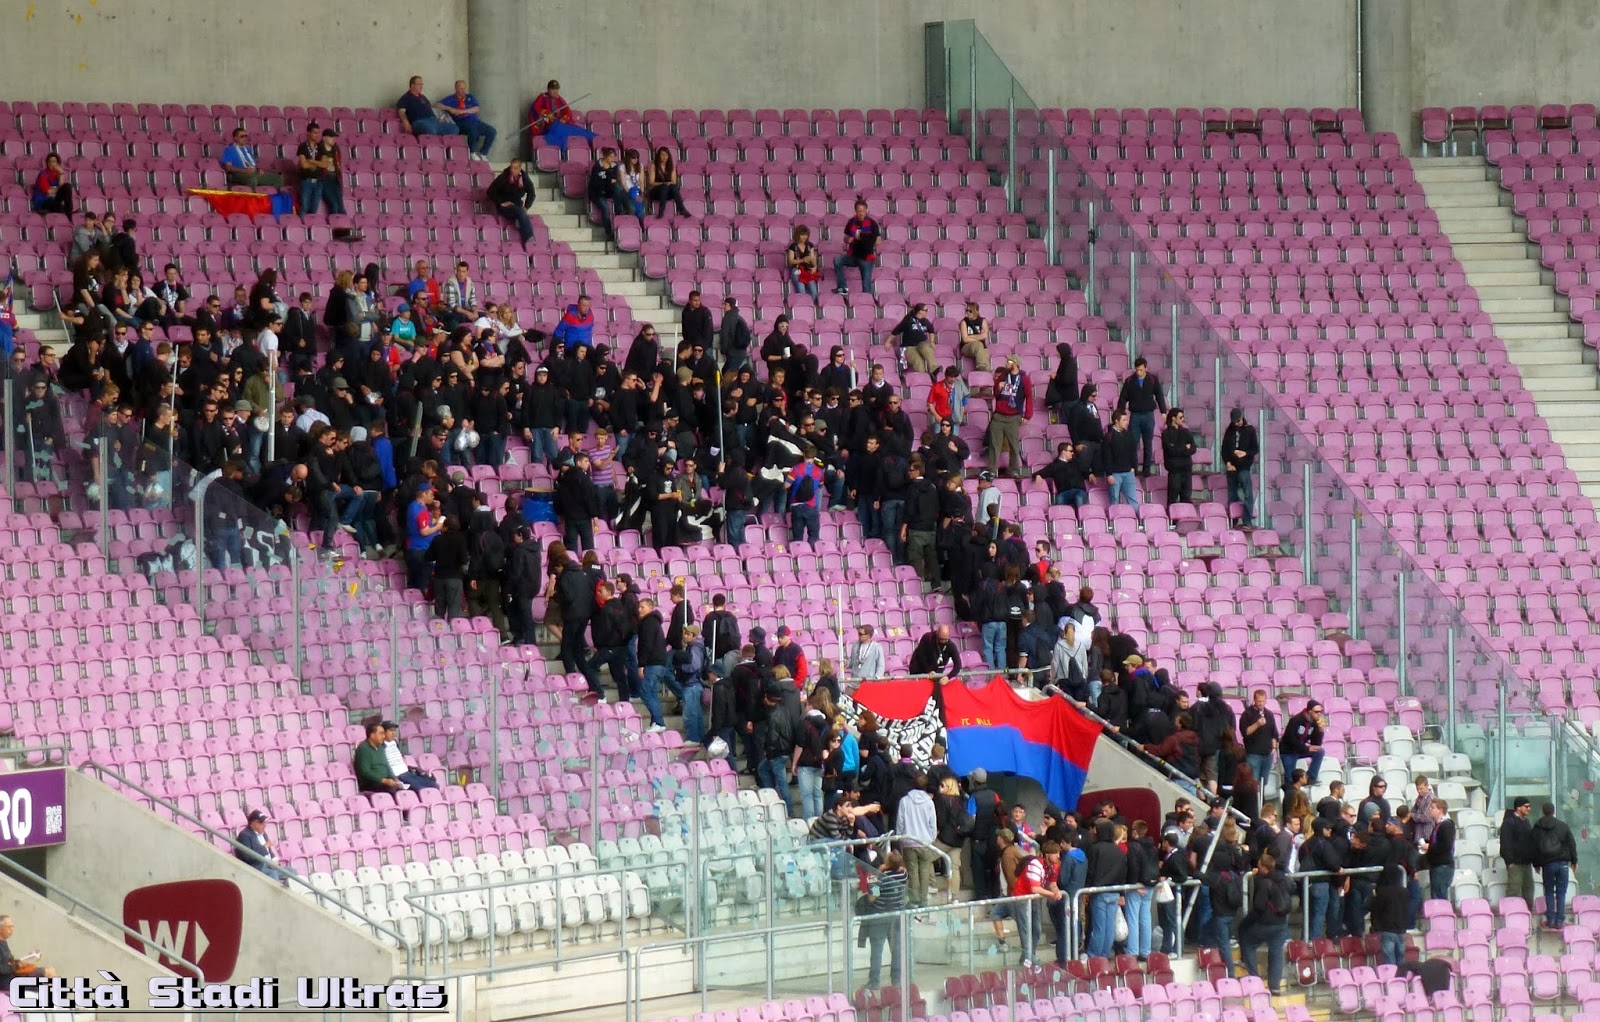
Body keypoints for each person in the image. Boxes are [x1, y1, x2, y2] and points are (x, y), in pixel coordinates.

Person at [1236, 852, 1293, 994]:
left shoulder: (1264, 883)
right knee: (1276, 953)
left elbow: (1259, 907)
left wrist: (1246, 923)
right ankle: (1275, 986)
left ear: (1263, 867)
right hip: (1281, 923)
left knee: (1247, 942)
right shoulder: (1285, 880)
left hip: (1264, 923)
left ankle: (1254, 979)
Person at [861, 850, 908, 988]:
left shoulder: (881, 877)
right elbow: (901, 869)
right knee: (896, 949)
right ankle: (896, 980)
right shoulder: (903, 874)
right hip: (897, 915)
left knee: (877, 950)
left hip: (881, 916)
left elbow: (872, 898)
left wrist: (875, 875)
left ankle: (874, 980)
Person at [1115, 357, 1168, 477]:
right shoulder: (1130, 381)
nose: (1139, 372)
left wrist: (1163, 411)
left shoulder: (1152, 380)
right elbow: (1123, 398)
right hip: (1135, 415)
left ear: (1146, 368)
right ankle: (1133, 467)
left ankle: (1146, 470)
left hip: (1149, 415)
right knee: (1133, 443)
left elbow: (1159, 396)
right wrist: (1120, 413)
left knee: (1148, 443)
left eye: (1141, 370)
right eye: (1137, 370)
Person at [1083, 820, 1128, 959]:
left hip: (1099, 892)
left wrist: (1086, 890)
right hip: (1114, 892)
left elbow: (1091, 871)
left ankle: (1093, 956)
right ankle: (1105, 955)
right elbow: (1123, 873)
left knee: (1099, 928)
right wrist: (1121, 894)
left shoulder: (1095, 849)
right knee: (1109, 928)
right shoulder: (1119, 851)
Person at [897, 773, 939, 909]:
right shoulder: (929, 802)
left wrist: (900, 837)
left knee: (913, 872)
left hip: (909, 842)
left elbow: (900, 822)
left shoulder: (904, 801)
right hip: (925, 842)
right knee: (925, 870)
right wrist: (931, 838)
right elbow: (933, 824)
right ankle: (923, 900)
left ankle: (914, 900)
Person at [1532, 802, 1577, 929]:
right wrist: (1574, 861)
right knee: (1561, 893)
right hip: (1563, 863)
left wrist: (1536, 864)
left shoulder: (1537, 827)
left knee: (1549, 892)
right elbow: (1571, 844)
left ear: (1543, 811)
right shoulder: (1563, 826)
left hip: (1548, 864)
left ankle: (1551, 919)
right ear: (1553, 811)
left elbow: (1534, 847)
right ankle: (1559, 921)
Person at [987, 355, 1032, 477]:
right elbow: (996, 394)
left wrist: (1028, 415)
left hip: (1013, 417)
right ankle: (991, 471)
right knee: (994, 445)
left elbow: (1029, 397)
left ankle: (1014, 470)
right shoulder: (1002, 376)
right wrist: (998, 386)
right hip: (999, 416)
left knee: (1014, 445)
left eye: (1009, 361)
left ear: (1015, 363)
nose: (1006, 363)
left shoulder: (1024, 379)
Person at [529, 79, 597, 158]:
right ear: (548, 89)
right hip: (549, 127)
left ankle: (596, 140)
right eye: (553, 89)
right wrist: (546, 114)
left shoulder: (559, 99)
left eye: (557, 89)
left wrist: (564, 119)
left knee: (579, 131)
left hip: (560, 124)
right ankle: (563, 154)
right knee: (560, 130)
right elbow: (535, 109)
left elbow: (567, 112)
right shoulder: (542, 97)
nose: (555, 91)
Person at [1221, 406, 1260, 529]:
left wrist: (1245, 453)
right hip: (1232, 466)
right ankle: (1233, 520)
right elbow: (1224, 449)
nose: (1236, 423)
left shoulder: (1250, 430)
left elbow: (1255, 448)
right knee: (1232, 495)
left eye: (1238, 421)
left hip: (1244, 466)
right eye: (1235, 422)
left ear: (1242, 418)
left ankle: (1247, 519)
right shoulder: (1230, 431)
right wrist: (1228, 463)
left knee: (1248, 493)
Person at [832, 199, 881, 295]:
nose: (861, 213)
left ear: (867, 210)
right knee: (837, 260)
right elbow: (846, 237)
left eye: (863, 210)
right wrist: (848, 239)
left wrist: (861, 237)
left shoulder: (872, 224)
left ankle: (866, 303)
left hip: (866, 258)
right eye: (859, 211)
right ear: (855, 211)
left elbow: (878, 241)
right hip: (853, 255)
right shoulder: (851, 222)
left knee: (866, 286)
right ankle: (842, 288)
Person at [439, 79, 496, 160]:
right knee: (473, 129)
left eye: (464, 88)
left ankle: (483, 153)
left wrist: (462, 111)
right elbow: (437, 105)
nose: (463, 91)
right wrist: (450, 109)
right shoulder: (451, 98)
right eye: (461, 89)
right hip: (461, 122)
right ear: (456, 88)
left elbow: (476, 108)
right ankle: (472, 152)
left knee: (492, 131)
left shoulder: (470, 97)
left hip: (475, 121)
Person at [487, 158, 536, 245]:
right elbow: (490, 191)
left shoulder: (524, 179)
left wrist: (526, 206)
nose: (512, 170)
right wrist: (501, 202)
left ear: (520, 168)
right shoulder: (503, 177)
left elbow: (532, 193)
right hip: (505, 205)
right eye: (511, 167)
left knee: (521, 212)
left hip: (517, 205)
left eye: (515, 168)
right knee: (521, 212)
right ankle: (529, 239)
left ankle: (519, 218)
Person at [381, 721, 439, 790]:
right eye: (391, 731)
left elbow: (401, 757)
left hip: (407, 773)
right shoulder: (381, 745)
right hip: (398, 776)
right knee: (422, 789)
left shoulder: (394, 742)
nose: (394, 733)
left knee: (434, 785)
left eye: (395, 731)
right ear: (383, 732)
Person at [1500, 795, 1536, 908]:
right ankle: (1512, 914)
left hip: (1526, 862)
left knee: (1529, 890)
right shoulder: (1509, 822)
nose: (1529, 809)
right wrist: (1509, 861)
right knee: (1514, 889)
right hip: (1515, 863)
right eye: (1526, 806)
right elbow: (1505, 842)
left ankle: (1526, 915)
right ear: (1518, 807)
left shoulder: (1526, 821)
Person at [0, 915, 56, 983]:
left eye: (13, 927)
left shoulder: (3, 942)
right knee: (49, 972)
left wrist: (29, 957)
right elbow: (3, 969)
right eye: (9, 927)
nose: (12, 929)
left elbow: (9, 963)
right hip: (9, 980)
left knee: (50, 971)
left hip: (14, 976)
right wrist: (19, 964)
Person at [1280, 699, 1325, 782]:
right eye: (1316, 712)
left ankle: (1310, 778)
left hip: (1300, 749)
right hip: (1288, 751)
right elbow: (1291, 740)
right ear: (1309, 711)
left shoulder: (1315, 722)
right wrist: (1306, 748)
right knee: (1290, 779)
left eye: (1320, 712)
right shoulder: (1296, 720)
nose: (1319, 714)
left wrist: (1320, 732)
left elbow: (1316, 743)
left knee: (1320, 751)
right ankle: (1290, 791)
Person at [235, 809, 286, 882]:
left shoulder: (263, 833)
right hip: (257, 867)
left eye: (265, 822)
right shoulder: (244, 835)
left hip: (269, 865)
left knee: (292, 871)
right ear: (253, 823)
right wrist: (265, 847)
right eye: (262, 823)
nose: (265, 825)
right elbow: (248, 857)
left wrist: (274, 859)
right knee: (273, 874)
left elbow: (269, 851)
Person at [586, 148, 625, 242]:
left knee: (617, 188)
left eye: (613, 157)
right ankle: (608, 233)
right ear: (605, 156)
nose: (612, 159)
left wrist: (608, 181)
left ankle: (619, 212)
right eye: (610, 157)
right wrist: (608, 181)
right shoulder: (597, 167)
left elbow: (615, 180)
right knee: (605, 209)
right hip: (597, 192)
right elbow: (596, 183)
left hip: (608, 190)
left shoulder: (614, 166)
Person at [296, 123, 336, 214]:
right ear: (308, 133)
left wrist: (313, 161)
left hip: (318, 182)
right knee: (304, 206)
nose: (317, 135)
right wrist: (319, 164)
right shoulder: (302, 146)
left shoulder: (321, 146)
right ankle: (302, 226)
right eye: (314, 133)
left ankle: (311, 226)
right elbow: (304, 165)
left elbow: (325, 164)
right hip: (306, 181)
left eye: (318, 133)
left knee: (314, 208)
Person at [354, 720, 403, 793]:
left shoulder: (381, 747)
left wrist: (394, 778)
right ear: (372, 735)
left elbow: (386, 764)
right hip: (371, 783)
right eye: (381, 734)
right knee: (393, 790)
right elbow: (365, 772)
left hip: (386, 781)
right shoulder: (363, 749)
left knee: (405, 789)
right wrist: (383, 780)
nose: (383, 736)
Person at [1104, 409, 1140, 506]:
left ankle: (1136, 518)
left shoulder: (1128, 435)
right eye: (1124, 420)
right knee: (1114, 499)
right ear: (1116, 420)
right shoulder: (1109, 436)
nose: (1126, 422)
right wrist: (1109, 474)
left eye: (1126, 420)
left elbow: (1133, 452)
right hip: (1115, 473)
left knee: (1133, 499)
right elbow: (1107, 456)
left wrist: (1134, 467)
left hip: (1128, 472)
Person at [1161, 408, 1196, 505]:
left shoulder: (1186, 432)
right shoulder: (1166, 433)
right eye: (1180, 417)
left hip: (1186, 469)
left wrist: (1179, 448)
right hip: (1174, 470)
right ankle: (1173, 519)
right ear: (1173, 418)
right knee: (1173, 498)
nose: (1182, 419)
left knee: (1186, 498)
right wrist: (1185, 448)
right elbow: (1171, 451)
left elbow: (1193, 448)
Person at [889, 304, 937, 374]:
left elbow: (931, 331)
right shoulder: (908, 320)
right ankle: (923, 378)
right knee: (918, 363)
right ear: (920, 311)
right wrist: (888, 342)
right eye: (926, 310)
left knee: (926, 347)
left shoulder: (926, 321)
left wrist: (932, 342)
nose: (927, 312)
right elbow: (896, 331)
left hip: (921, 344)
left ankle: (934, 370)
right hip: (909, 347)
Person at [643, 147, 690, 218]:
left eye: (666, 155)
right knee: (664, 187)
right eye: (662, 155)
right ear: (659, 156)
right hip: (656, 192)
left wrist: (667, 184)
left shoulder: (671, 166)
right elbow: (651, 182)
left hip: (667, 192)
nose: (664, 157)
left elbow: (673, 182)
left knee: (673, 187)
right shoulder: (654, 165)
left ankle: (682, 209)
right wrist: (663, 184)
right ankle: (661, 211)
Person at [786, 225, 822, 298]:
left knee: (814, 292)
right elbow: (791, 261)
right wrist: (802, 260)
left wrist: (815, 267)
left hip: (808, 270)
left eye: (805, 235)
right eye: (802, 235)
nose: (804, 237)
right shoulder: (793, 246)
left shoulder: (810, 245)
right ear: (798, 235)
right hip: (797, 270)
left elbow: (813, 258)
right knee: (801, 290)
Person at [958, 301, 993, 371]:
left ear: (976, 311)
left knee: (985, 352)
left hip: (981, 347)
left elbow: (984, 335)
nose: (968, 312)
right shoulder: (964, 322)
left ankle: (987, 373)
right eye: (966, 310)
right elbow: (965, 339)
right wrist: (978, 337)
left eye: (970, 311)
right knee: (979, 345)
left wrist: (970, 337)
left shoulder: (983, 321)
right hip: (966, 346)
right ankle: (981, 366)